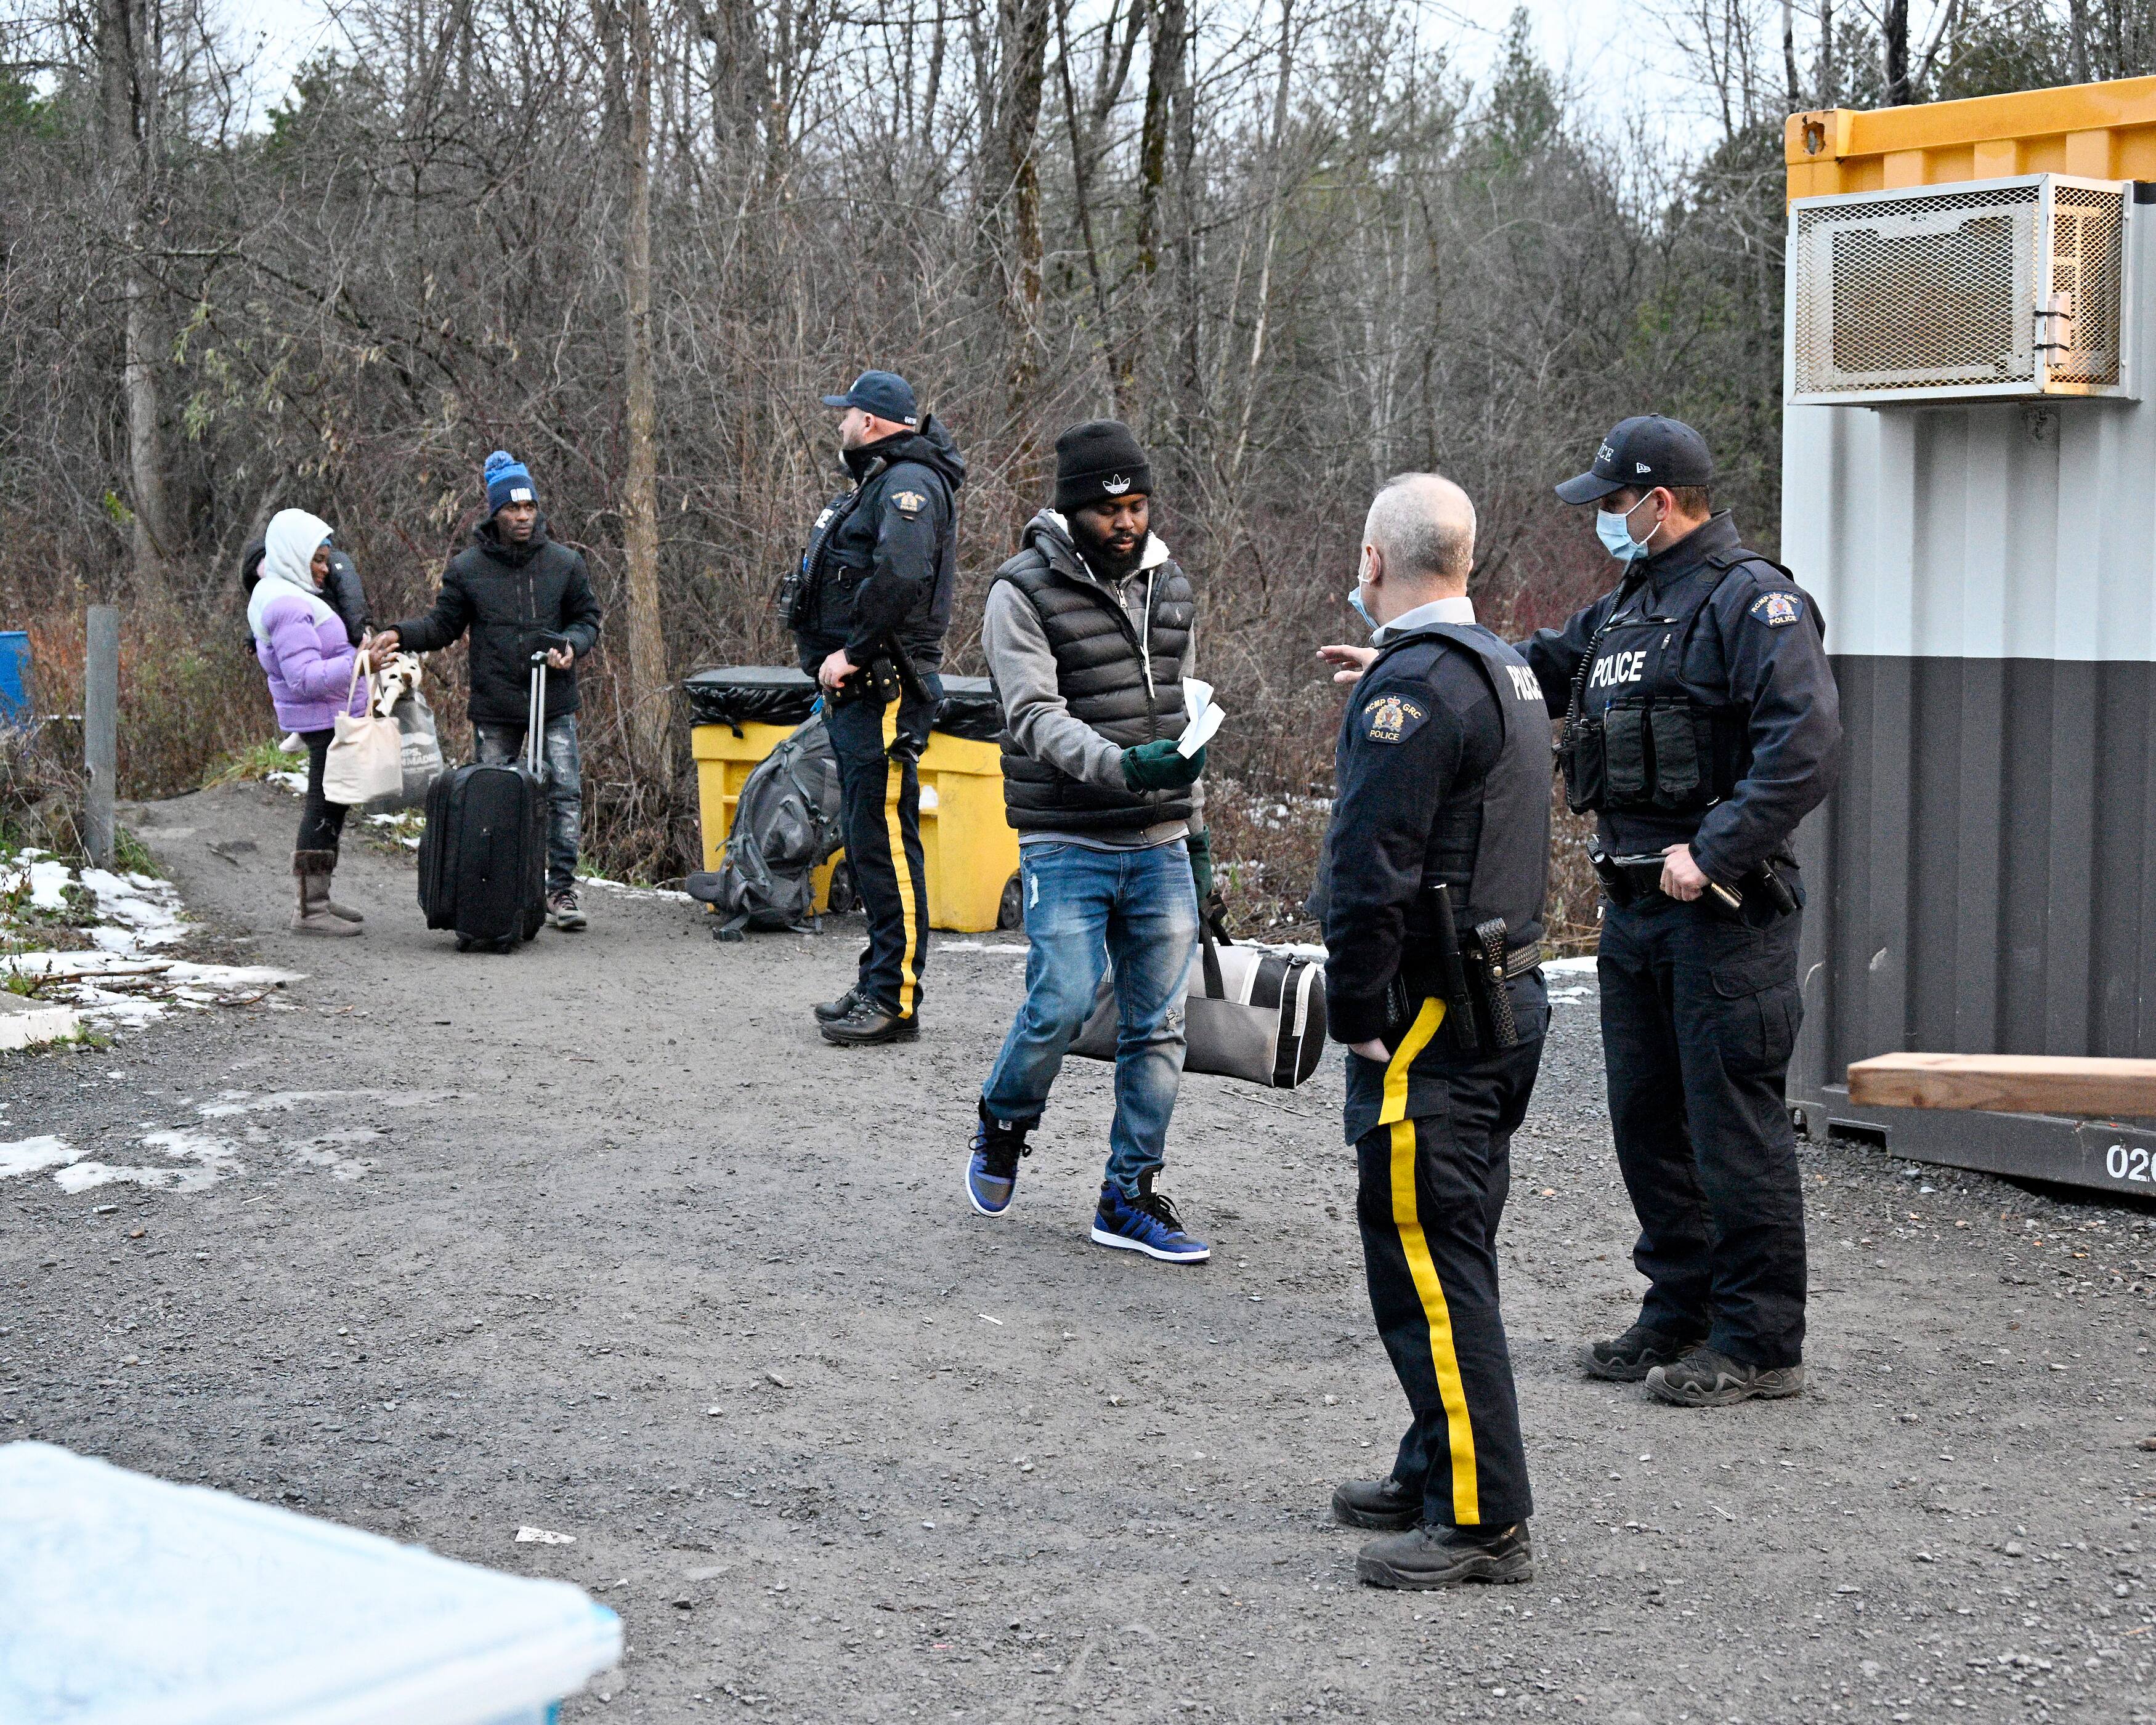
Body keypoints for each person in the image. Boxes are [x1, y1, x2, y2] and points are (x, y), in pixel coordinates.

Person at [1525, 415, 1840, 1407]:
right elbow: (1534, 665)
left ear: (1660, 502)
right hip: (1635, 909)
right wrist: (1427, 657)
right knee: (1648, 1119)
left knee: (1730, 1125)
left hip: (1723, 911)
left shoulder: (1754, 603)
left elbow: (1808, 746)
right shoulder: (1629, 605)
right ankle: (1682, 1307)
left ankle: (1759, 1340)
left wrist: (1713, 850)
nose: (1603, 523)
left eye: (1613, 505)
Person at [1313, 474, 1550, 1589]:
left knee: (1430, 1261)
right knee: (1442, 1248)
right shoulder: (1500, 669)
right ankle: (1434, 1458)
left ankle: (1480, 1515)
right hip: (1503, 1001)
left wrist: (1355, 1012)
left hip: (1428, 1021)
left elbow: (1369, 874)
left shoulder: (1412, 692)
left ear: (1373, 561)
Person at [965, 419, 1213, 1265]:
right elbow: (1032, 715)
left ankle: (1128, 1194)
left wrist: (1197, 827)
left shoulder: (1172, 585)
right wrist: (1122, 766)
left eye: (1139, 506)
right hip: (1066, 837)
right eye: (1111, 509)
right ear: (1075, 511)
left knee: (1160, 1026)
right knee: (1062, 1004)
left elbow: (1185, 717)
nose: (1127, 523)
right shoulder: (1020, 592)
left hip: (1161, 839)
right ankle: (1004, 1119)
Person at [787, 370, 967, 1047]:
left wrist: (855, 653)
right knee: (869, 841)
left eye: (846, 415)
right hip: (861, 693)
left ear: (871, 421)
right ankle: (877, 980)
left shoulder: (908, 486)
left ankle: (894, 998)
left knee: (886, 842)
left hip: (882, 687)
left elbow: (900, 576)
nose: (839, 427)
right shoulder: (886, 480)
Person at [370, 452, 602, 931]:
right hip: (497, 705)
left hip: (552, 700)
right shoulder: (469, 568)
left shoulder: (565, 564)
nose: (522, 517)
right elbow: (443, 625)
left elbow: (587, 620)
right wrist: (400, 633)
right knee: (492, 798)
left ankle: (560, 889)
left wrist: (572, 647)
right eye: (513, 509)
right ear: (496, 512)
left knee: (563, 793)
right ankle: (498, 886)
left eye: (529, 508)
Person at [248, 508, 370, 938]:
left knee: (333, 805)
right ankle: (309, 909)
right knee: (322, 805)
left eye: (326, 559)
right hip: (322, 719)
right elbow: (304, 678)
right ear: (294, 556)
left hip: (329, 716)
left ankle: (319, 897)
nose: (325, 570)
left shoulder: (288, 593)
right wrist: (362, 660)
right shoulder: (287, 606)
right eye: (316, 560)